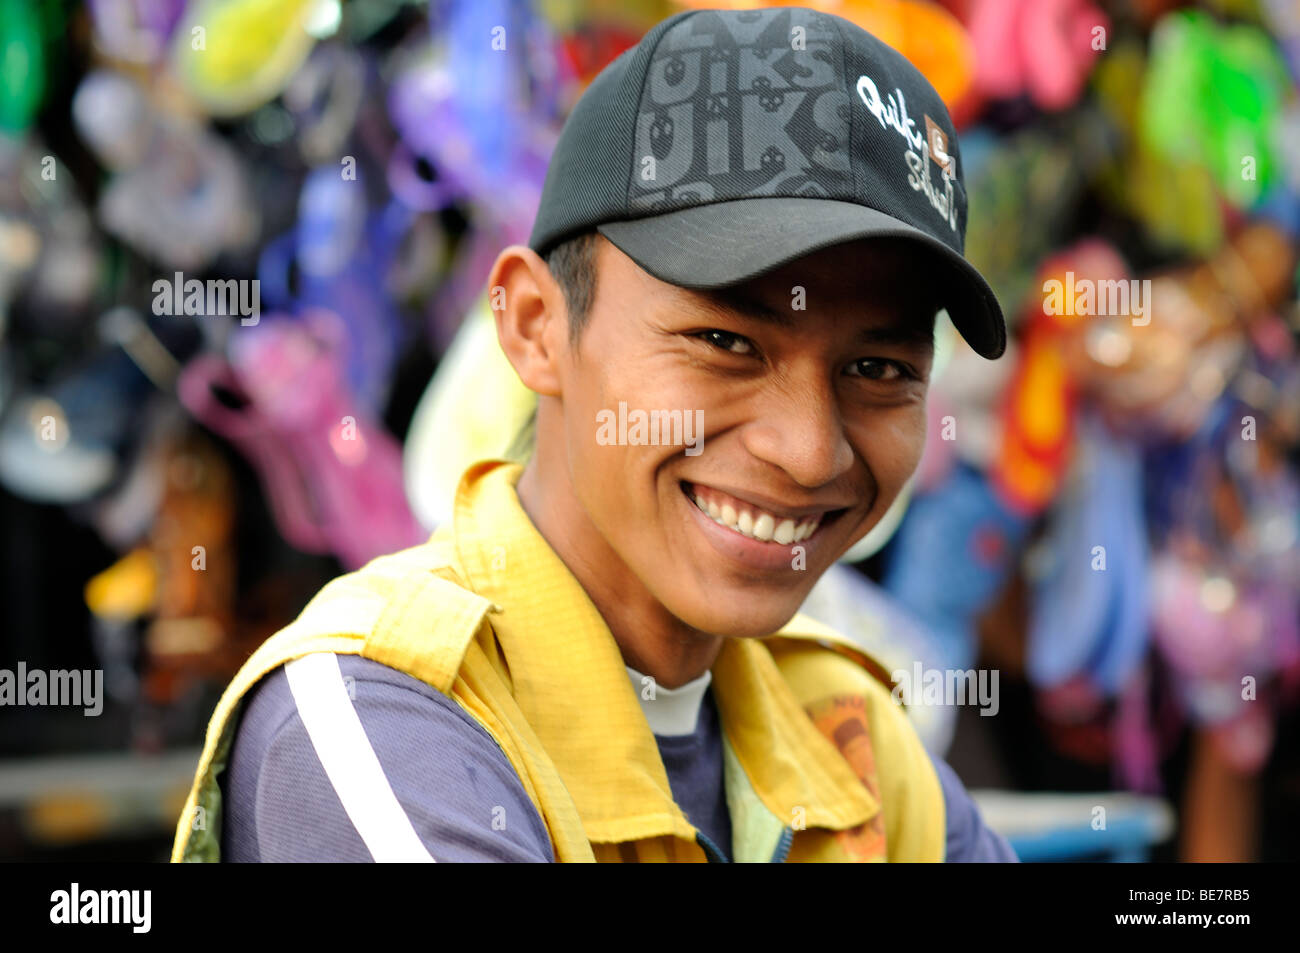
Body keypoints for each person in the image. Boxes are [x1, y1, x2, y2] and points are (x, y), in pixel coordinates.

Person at [173, 5, 1017, 863]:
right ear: (537, 325)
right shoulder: (385, 712)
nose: (807, 452)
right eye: (725, 342)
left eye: (879, 370)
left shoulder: (850, 735)